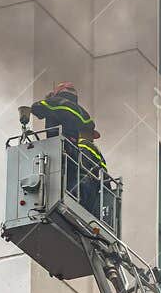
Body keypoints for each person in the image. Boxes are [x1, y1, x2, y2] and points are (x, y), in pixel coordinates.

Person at [29, 82, 107, 212]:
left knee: (56, 174)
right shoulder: (82, 112)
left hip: (57, 146)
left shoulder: (54, 102)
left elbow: (35, 108)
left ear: (58, 92)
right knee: (71, 175)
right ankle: (70, 199)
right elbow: (89, 125)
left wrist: (48, 100)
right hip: (73, 148)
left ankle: (53, 199)